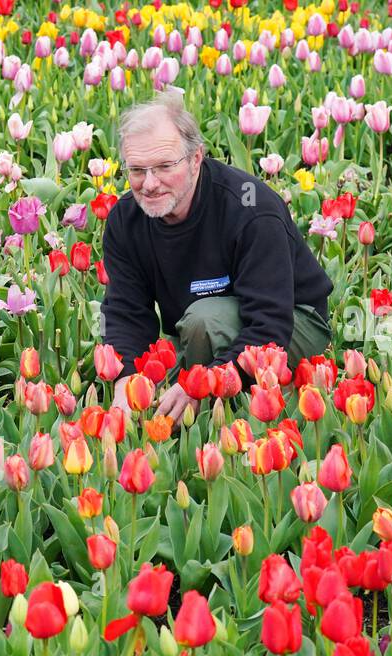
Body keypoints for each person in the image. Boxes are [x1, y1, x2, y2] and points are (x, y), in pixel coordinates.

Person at [100, 89, 335, 422]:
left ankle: (229, 415)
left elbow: (270, 324)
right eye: (137, 170)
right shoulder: (126, 220)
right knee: (202, 322)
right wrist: (125, 380)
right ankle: (194, 398)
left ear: (196, 159)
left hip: (295, 320)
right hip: (215, 323)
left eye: (165, 166)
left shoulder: (251, 209)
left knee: (204, 320)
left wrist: (201, 383)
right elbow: (125, 311)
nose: (149, 184)